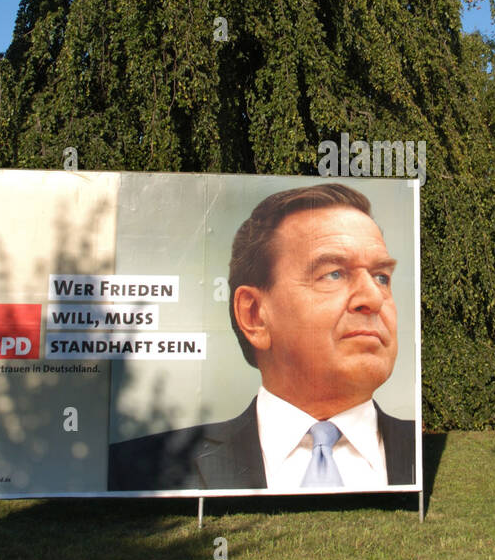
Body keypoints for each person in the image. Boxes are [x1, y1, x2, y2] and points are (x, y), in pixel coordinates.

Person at [108, 183, 416, 491]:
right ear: (254, 315)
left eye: (381, 277)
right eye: (333, 273)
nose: (373, 299)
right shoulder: (137, 467)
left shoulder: (419, 455)